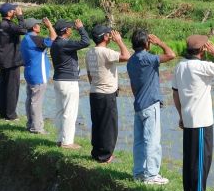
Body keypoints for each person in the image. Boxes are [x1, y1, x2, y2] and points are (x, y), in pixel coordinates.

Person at [172, 36, 214, 191]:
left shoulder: (179, 66)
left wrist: (181, 116)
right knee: (202, 159)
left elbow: (175, 93)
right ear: (203, 50)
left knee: (189, 158)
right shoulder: (202, 66)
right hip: (201, 121)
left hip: (187, 118)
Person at [127, 29, 176, 185]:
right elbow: (171, 55)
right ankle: (152, 175)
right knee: (153, 140)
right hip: (150, 104)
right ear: (146, 43)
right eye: (149, 41)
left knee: (139, 141)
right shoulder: (148, 59)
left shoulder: (131, 61)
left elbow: (133, 86)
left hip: (139, 104)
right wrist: (160, 42)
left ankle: (139, 173)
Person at [85, 24, 131, 164]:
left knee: (98, 124)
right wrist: (119, 41)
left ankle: (97, 152)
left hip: (95, 92)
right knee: (108, 126)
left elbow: (89, 75)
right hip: (106, 94)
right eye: (109, 34)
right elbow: (126, 56)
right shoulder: (105, 52)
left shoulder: (90, 52)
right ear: (105, 37)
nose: (111, 36)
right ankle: (105, 156)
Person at [50, 19, 90, 149]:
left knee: (60, 111)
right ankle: (67, 142)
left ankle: (59, 139)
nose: (72, 29)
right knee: (70, 112)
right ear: (66, 30)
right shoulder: (64, 43)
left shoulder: (56, 43)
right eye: (70, 28)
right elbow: (85, 42)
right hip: (68, 81)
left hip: (58, 80)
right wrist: (81, 28)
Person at [19, 17, 55, 134]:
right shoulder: (35, 39)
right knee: (36, 102)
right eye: (38, 25)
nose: (40, 26)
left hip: (29, 72)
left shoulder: (25, 39)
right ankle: (37, 128)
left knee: (30, 99)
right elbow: (53, 39)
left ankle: (30, 124)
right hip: (38, 74)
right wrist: (50, 27)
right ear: (34, 27)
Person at [0, 3, 27, 120]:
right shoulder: (8, 25)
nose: (15, 11)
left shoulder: (1, 24)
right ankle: (11, 115)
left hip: (4, 61)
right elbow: (23, 30)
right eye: (13, 10)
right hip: (11, 61)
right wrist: (20, 16)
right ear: (8, 13)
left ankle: (3, 113)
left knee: (3, 87)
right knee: (12, 88)